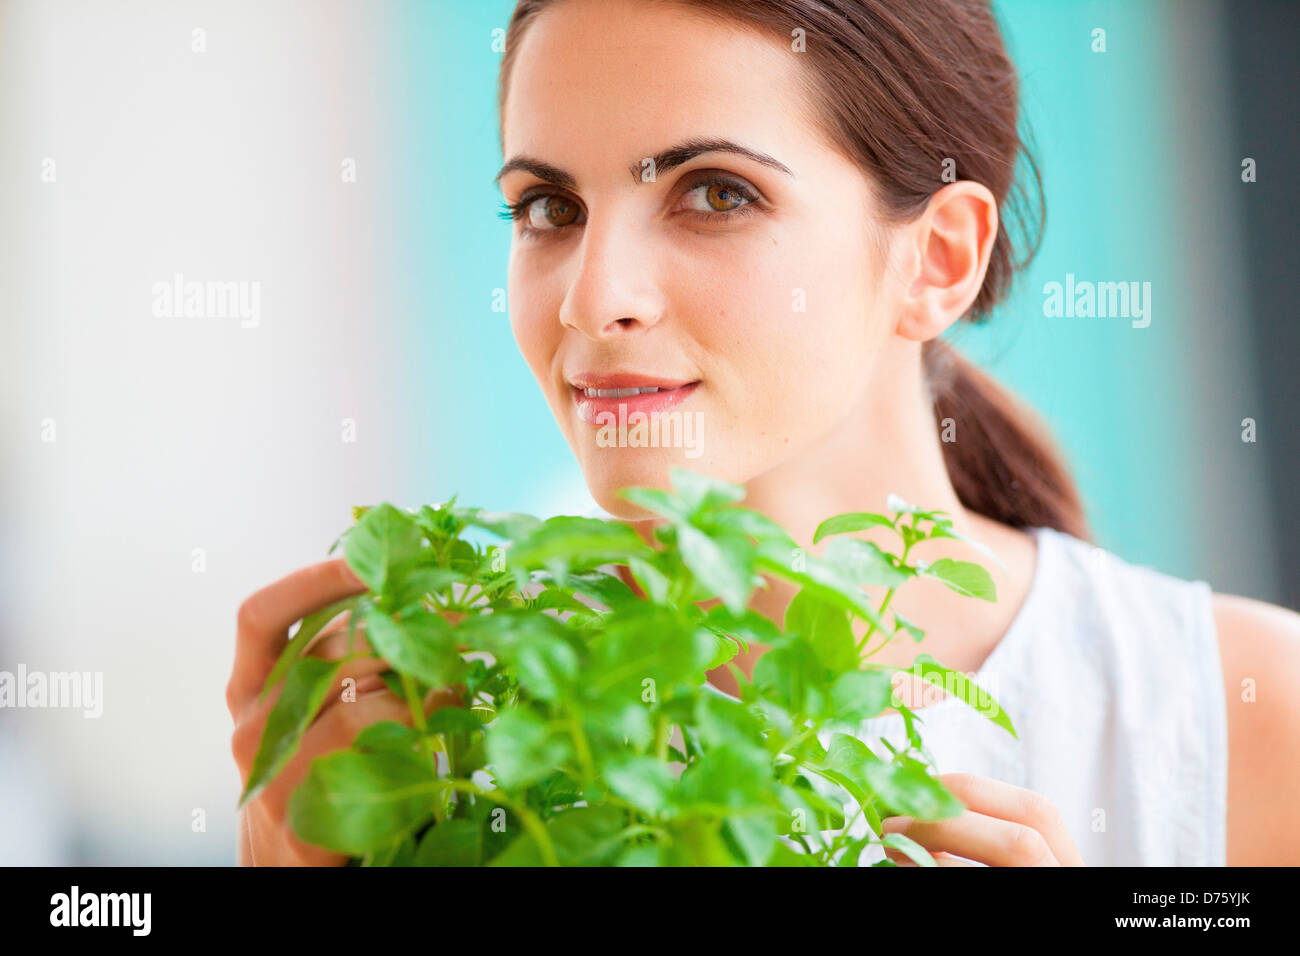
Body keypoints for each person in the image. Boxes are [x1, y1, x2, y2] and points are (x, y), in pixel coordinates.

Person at [227, 0, 1300, 866]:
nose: (594, 299)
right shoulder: (449, 725)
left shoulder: (1240, 720)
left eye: (715, 193)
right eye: (550, 206)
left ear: (935, 258)